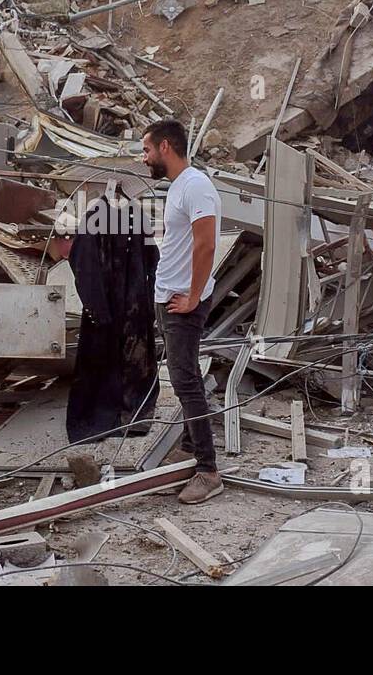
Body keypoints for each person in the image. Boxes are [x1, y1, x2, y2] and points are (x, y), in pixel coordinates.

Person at [143, 119, 225, 504]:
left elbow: (206, 244)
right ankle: (192, 447)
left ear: (165, 147)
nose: (144, 158)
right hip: (169, 296)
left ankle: (208, 470)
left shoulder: (196, 186)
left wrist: (192, 297)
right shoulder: (178, 186)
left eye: (147, 150)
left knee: (185, 379)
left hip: (182, 301)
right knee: (184, 374)